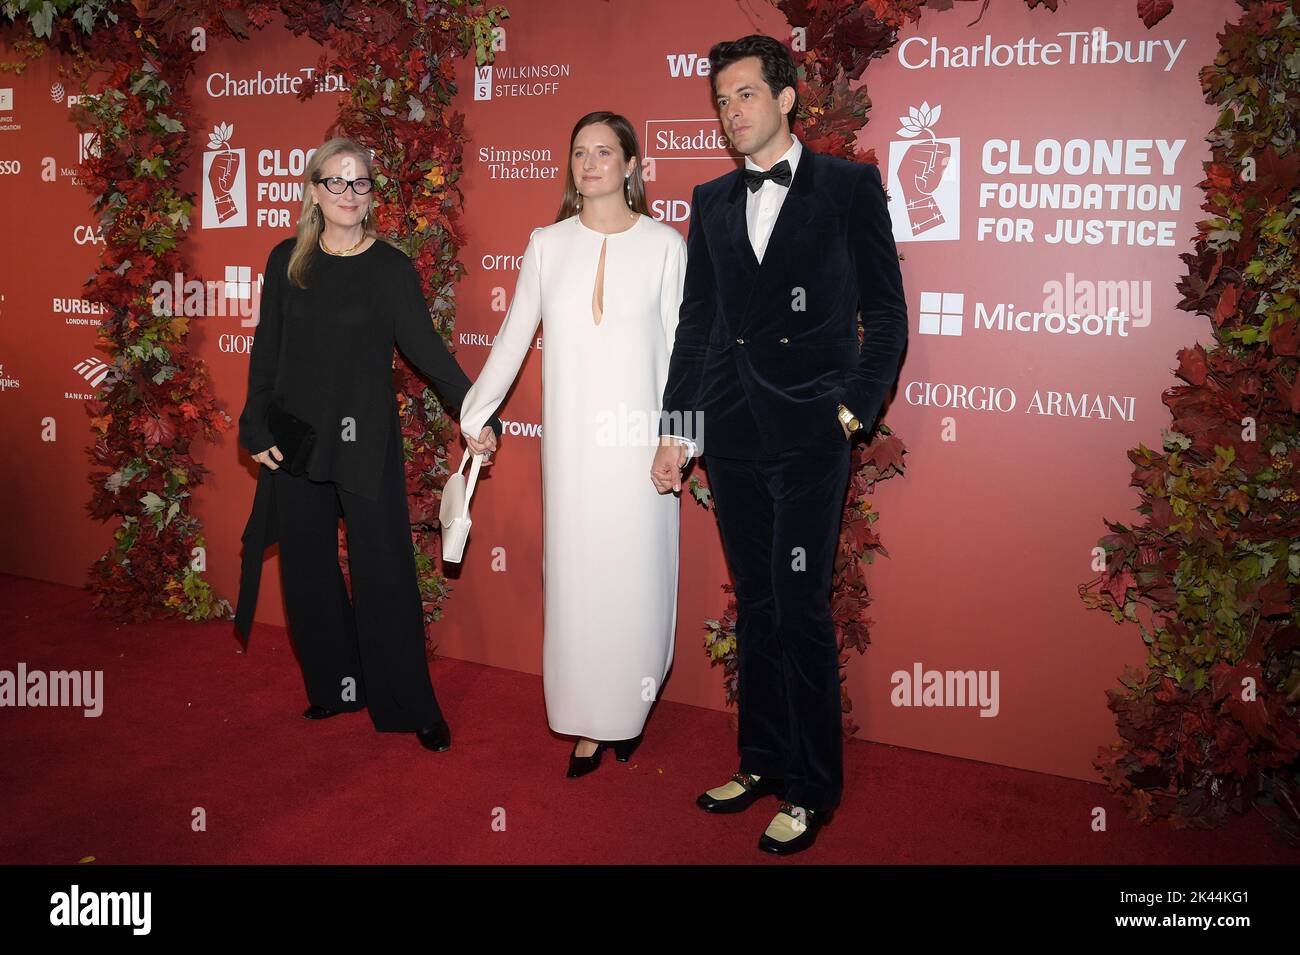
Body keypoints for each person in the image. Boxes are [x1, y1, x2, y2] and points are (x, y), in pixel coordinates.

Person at [652, 35, 908, 855]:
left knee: (798, 607)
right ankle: (760, 758)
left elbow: (887, 314)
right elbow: (696, 328)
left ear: (787, 97)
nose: (733, 112)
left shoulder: (847, 186)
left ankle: (811, 785)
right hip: (730, 436)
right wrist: (679, 432)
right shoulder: (712, 199)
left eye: (747, 95)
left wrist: (851, 411)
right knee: (756, 604)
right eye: (722, 99)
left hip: (808, 438)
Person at [233, 136, 501, 753]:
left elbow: (429, 354)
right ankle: (337, 686)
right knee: (307, 572)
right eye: (337, 181)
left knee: (385, 573)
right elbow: (265, 351)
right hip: (296, 440)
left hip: (365, 439)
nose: (349, 194)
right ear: (314, 191)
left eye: (360, 184)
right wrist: (255, 427)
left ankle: (410, 704)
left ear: (371, 194)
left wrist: (474, 411)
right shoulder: (287, 262)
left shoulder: (389, 269)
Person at [458, 112, 687, 777]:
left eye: (605, 152)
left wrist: (683, 441)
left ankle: (629, 711)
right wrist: (476, 414)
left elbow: (688, 355)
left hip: (643, 452)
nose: (591, 163)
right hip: (573, 453)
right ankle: (589, 721)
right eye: (580, 152)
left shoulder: (667, 246)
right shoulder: (547, 245)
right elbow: (510, 340)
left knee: (637, 583)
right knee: (579, 587)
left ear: (631, 165)